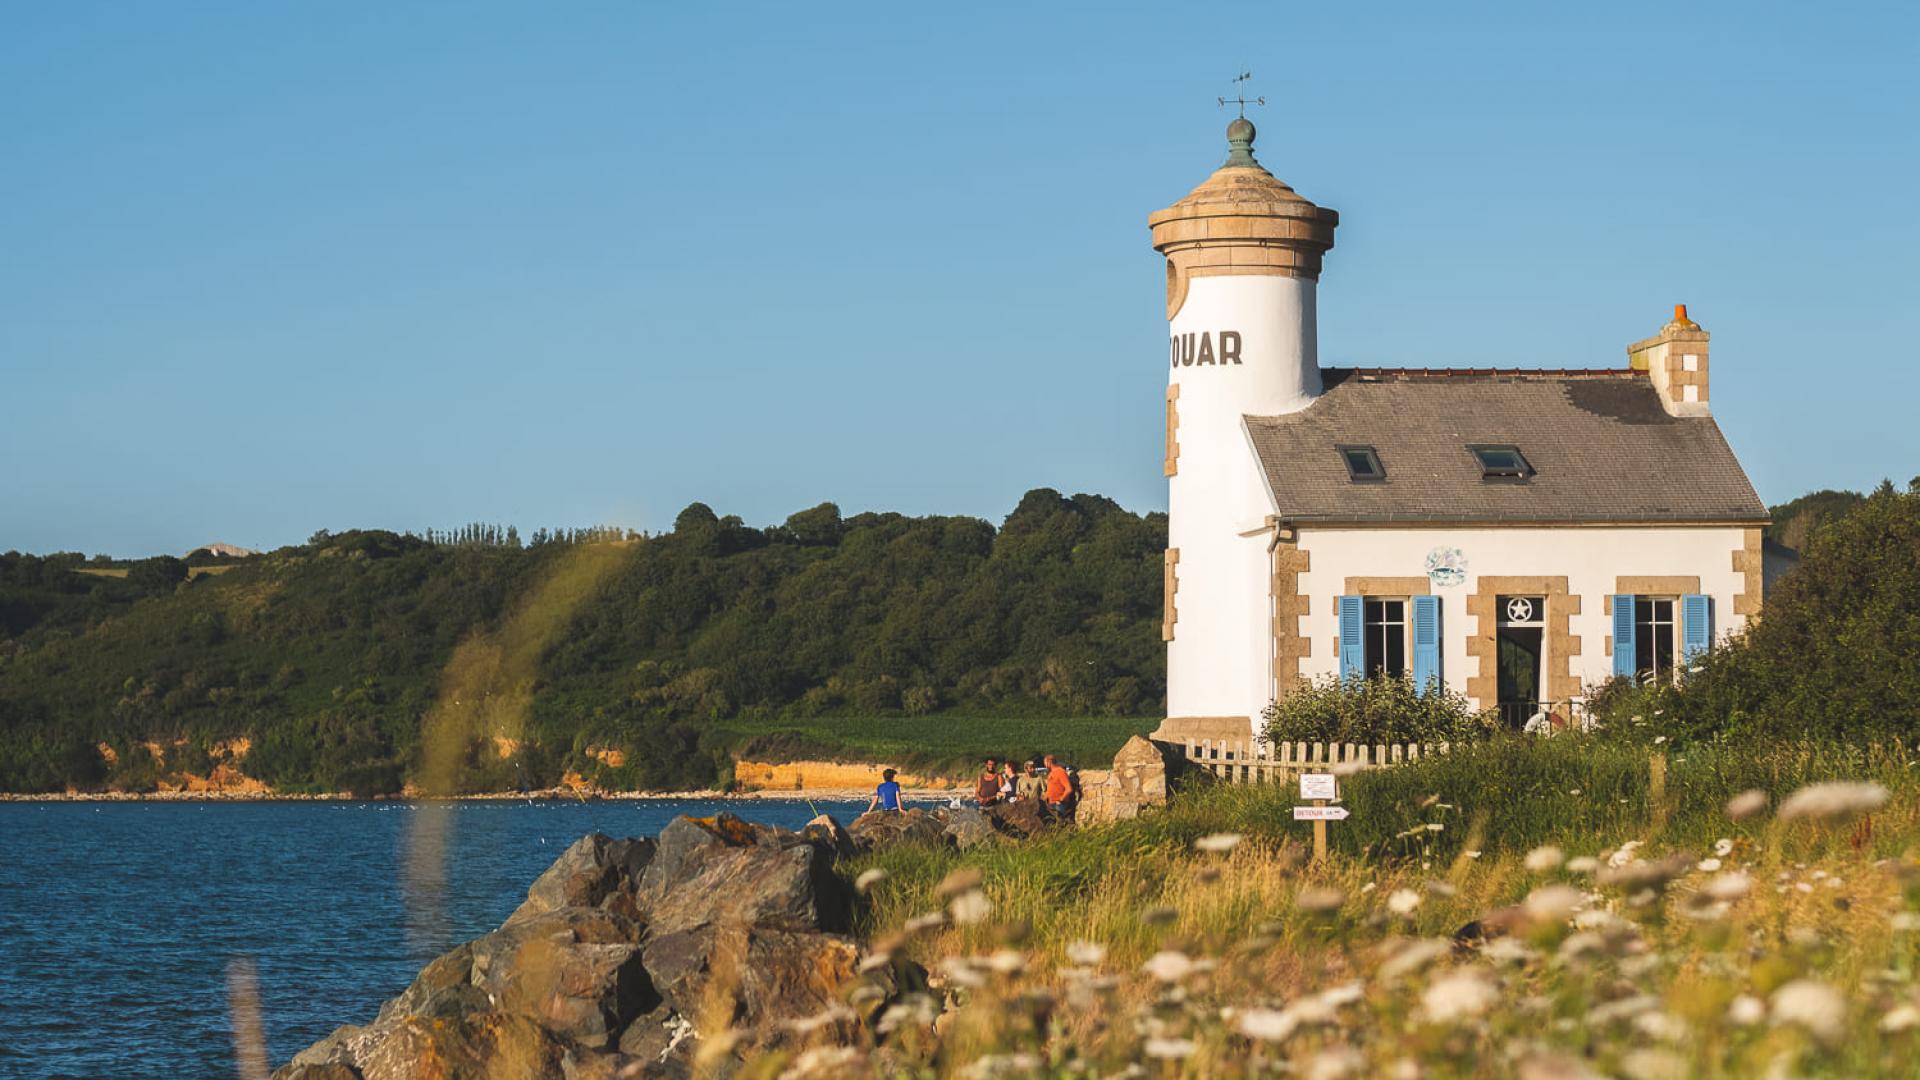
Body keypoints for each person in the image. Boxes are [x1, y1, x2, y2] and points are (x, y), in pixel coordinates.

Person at [1043, 754, 1076, 821]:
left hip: (1059, 804)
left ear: (1049, 761)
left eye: (1045, 762)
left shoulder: (1060, 772)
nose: (1044, 765)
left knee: (1062, 823)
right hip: (1050, 804)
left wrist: (1061, 799)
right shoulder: (1051, 773)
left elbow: (1069, 789)